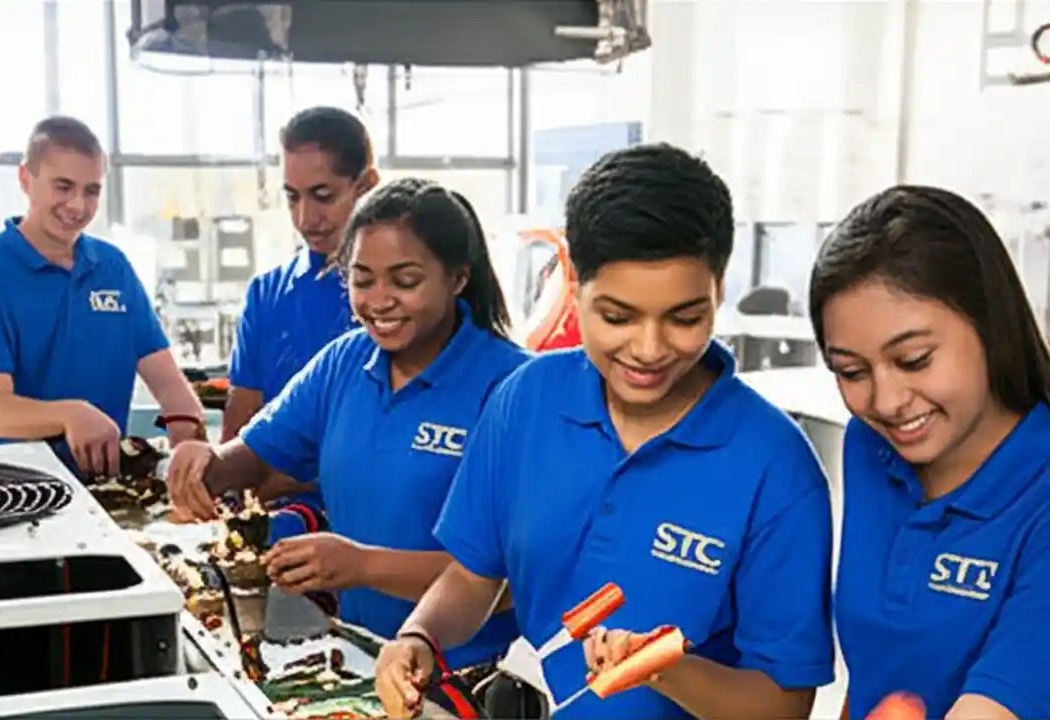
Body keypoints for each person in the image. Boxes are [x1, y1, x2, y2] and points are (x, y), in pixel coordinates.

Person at [375, 144, 835, 719]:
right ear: (574, 284)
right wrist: (419, 637)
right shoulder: (526, 401)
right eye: (617, 317)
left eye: (685, 318)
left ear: (719, 290)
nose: (649, 349)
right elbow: (474, 576)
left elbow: (783, 705)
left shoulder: (775, 468)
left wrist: (664, 669)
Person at [166, 177, 527, 670]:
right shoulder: (345, 363)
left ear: (458, 278)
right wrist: (204, 465)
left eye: (405, 281)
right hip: (363, 659)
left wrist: (362, 565)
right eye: (362, 280)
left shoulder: (513, 388)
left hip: (474, 674)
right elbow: (259, 453)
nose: (379, 301)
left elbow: (511, 580)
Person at [807, 186, 1050, 720]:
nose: (886, 402)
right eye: (852, 372)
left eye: (914, 360)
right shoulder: (869, 446)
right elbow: (874, 674)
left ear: (989, 324)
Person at [0, 115, 206, 478]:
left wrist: (186, 428)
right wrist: (72, 414)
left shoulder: (113, 267)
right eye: (63, 187)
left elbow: (168, 381)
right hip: (5, 486)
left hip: (102, 487)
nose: (77, 206)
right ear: (25, 179)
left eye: (91, 191)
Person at [222, 106, 378, 505]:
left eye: (323, 196)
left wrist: (300, 481)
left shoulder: (393, 305)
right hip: (276, 520)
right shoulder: (267, 293)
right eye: (292, 197)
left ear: (367, 186)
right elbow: (238, 429)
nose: (307, 218)